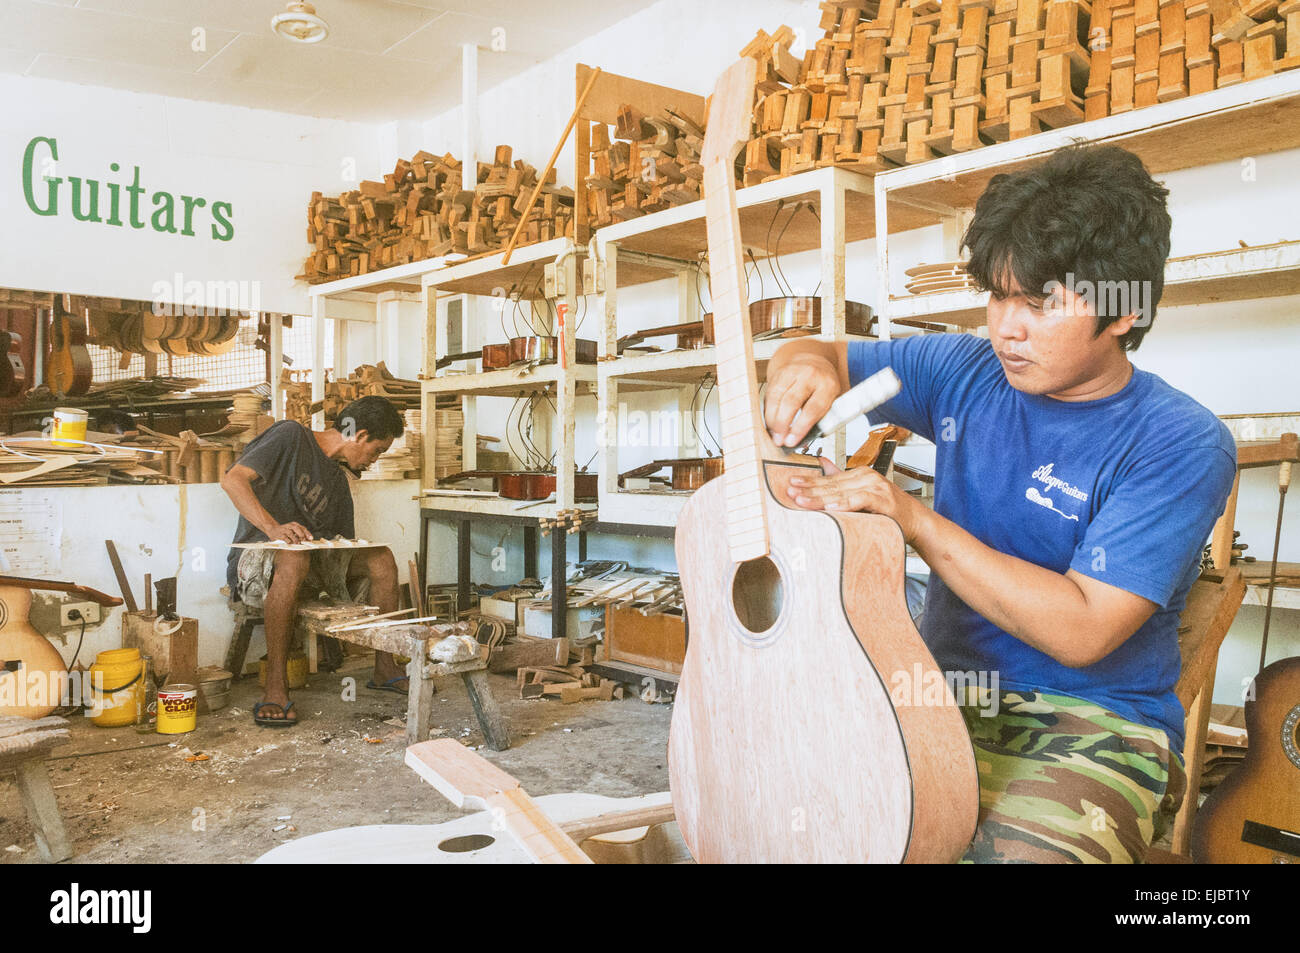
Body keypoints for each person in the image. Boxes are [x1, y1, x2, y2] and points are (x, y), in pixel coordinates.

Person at [764, 143, 1236, 863]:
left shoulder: (1181, 441)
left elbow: (1082, 629)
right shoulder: (966, 370)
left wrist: (914, 519)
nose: (1006, 327)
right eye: (997, 294)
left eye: (1041, 301)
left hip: (1093, 725)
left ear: (1122, 310)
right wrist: (801, 371)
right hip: (934, 692)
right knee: (782, 813)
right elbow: (819, 352)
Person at [221, 395, 409, 727]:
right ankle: (275, 688)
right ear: (360, 435)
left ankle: (385, 666)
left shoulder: (337, 480)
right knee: (294, 562)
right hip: (255, 558)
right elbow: (232, 479)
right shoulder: (291, 436)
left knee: (381, 559)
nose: (374, 460)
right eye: (377, 450)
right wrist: (273, 528)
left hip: (307, 564)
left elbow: (338, 546)